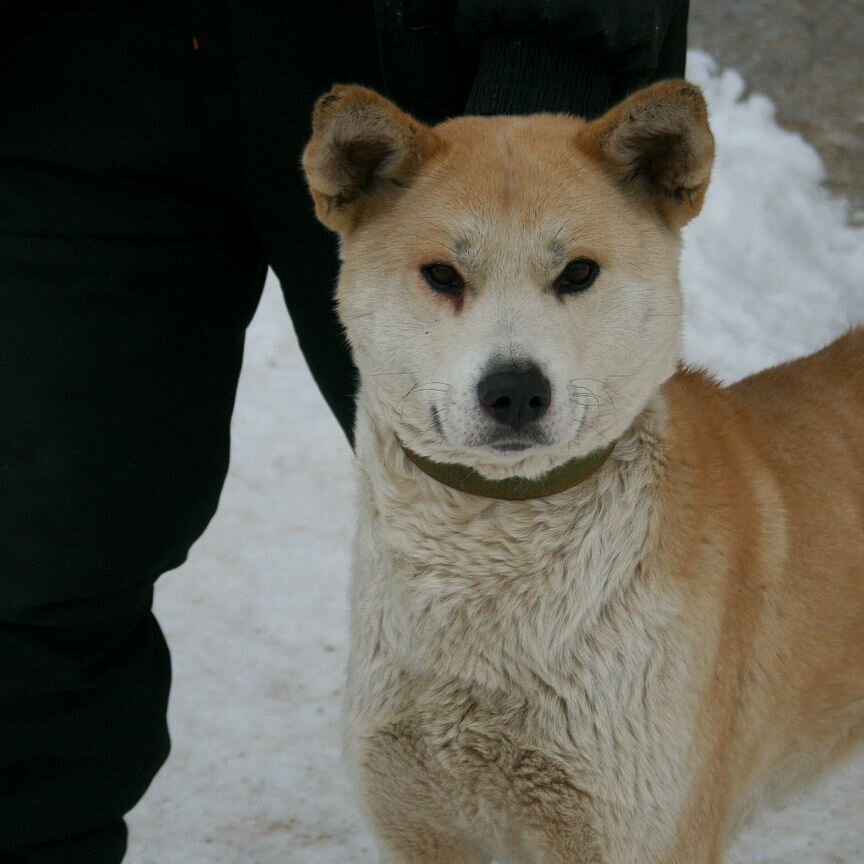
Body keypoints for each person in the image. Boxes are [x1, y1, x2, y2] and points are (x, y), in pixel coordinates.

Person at [0, 2, 688, 861]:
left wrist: (543, 64)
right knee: (33, 549)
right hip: (70, 81)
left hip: (415, 51)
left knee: (559, 519)